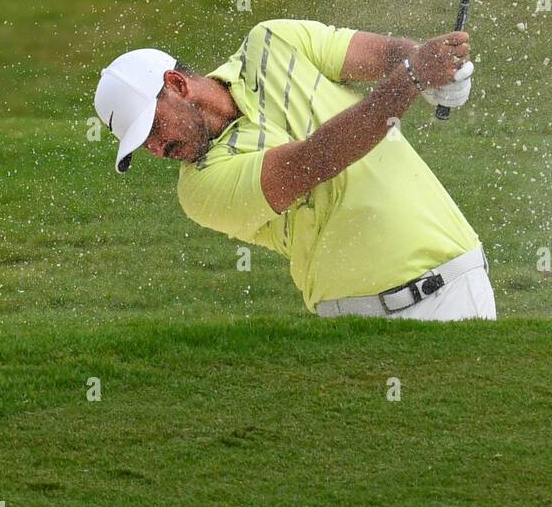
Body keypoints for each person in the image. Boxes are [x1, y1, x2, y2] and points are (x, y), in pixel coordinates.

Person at [94, 21, 495, 321]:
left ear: (177, 84)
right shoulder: (200, 190)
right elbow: (314, 160)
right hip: (357, 323)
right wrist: (411, 78)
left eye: (152, 128)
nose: (156, 149)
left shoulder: (272, 41)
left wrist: (434, 74)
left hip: (460, 286)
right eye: (141, 146)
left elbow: (387, 55)